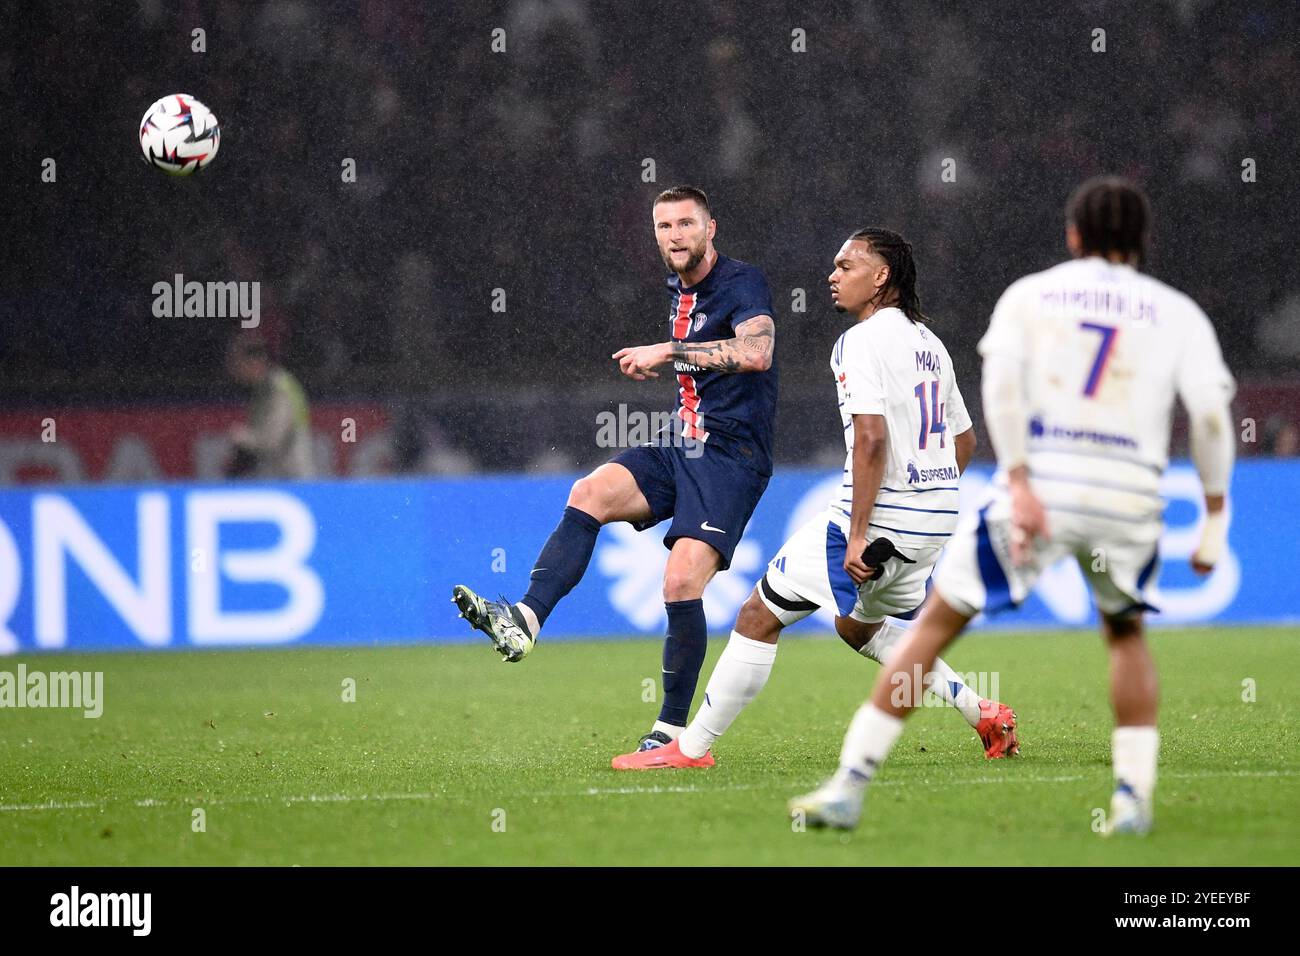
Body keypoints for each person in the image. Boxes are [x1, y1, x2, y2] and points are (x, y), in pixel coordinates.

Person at [790, 177, 1236, 835]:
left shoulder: (1032, 296)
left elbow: (999, 394)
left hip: (1044, 487)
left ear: (1073, 235)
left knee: (934, 627)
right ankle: (1133, 799)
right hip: (1127, 494)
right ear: (1142, 239)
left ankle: (850, 785)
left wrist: (1020, 479)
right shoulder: (1178, 314)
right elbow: (1212, 420)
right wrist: (1216, 513)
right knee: (1125, 634)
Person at [611, 227, 1017, 770]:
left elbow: (871, 440)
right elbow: (964, 440)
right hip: (934, 520)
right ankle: (982, 711)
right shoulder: (930, 343)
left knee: (758, 615)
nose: (832, 276)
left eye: (847, 266)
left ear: (881, 276)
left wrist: (859, 534)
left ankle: (689, 749)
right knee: (859, 628)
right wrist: (926, 496)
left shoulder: (859, 342)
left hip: (876, 524)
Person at [453, 185, 779, 754]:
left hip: (731, 457)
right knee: (590, 491)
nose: (674, 236)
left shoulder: (741, 281)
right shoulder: (678, 288)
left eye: (686, 223)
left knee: (680, 580)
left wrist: (666, 352)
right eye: (663, 226)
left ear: (710, 229)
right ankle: (526, 619)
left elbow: (756, 354)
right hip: (681, 442)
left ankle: (671, 733)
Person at [225, 335, 315, 480]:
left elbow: (273, 439)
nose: (233, 368)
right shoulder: (263, 389)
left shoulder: (277, 388)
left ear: (254, 362)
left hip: (291, 478)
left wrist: (243, 437)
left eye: (237, 363)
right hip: (280, 477)